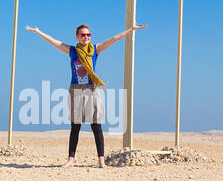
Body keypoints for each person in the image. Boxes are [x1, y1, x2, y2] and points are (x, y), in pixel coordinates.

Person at [25, 21, 147, 166]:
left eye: (88, 34)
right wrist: (38, 31)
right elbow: (54, 42)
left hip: (91, 89)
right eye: (83, 35)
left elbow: (113, 39)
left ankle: (101, 160)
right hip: (75, 89)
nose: (86, 37)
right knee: (75, 126)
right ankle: (71, 159)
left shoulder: (96, 49)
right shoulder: (72, 51)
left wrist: (131, 29)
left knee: (96, 125)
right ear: (77, 36)